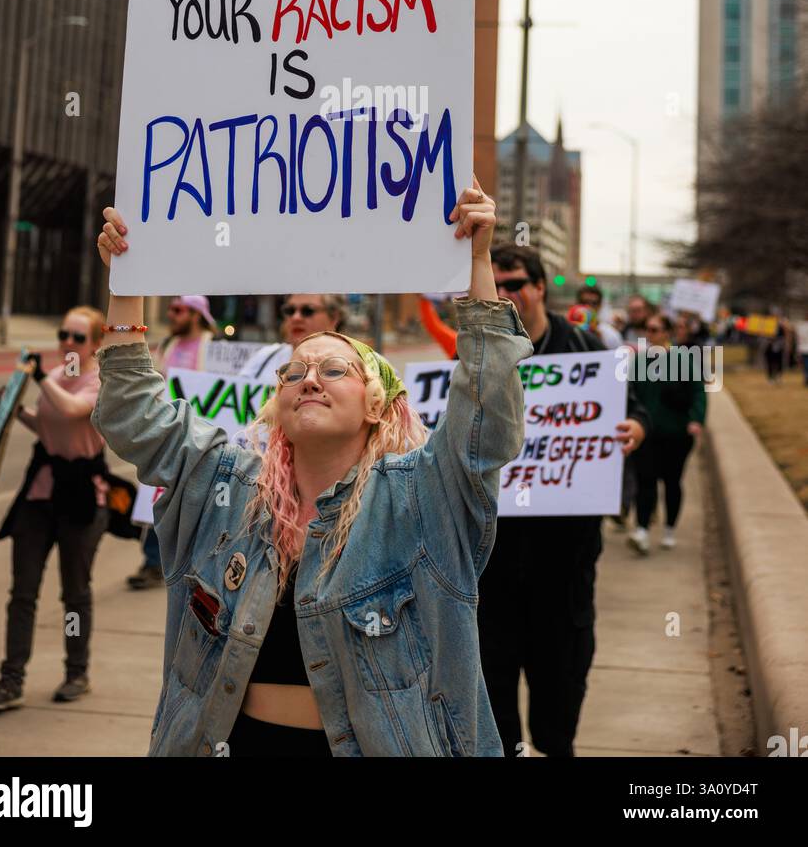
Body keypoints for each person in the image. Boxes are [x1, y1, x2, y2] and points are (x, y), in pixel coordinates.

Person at [94, 180, 535, 757]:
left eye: (334, 370)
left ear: (376, 405)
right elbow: (135, 419)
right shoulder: (228, 486)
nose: (308, 378)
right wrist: (130, 280)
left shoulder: (420, 499)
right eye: (295, 372)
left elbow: (485, 418)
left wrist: (477, 262)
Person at [476, 245, 648, 758]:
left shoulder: (586, 346)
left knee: (558, 712)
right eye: (496, 284)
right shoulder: (476, 349)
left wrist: (635, 426)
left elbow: (632, 407)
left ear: (540, 287)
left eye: (514, 283)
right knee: (493, 718)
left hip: (564, 565)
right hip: (492, 565)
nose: (504, 294)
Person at [0, 306, 109, 711]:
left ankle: (76, 672)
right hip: (41, 493)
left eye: (77, 338)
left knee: (74, 593)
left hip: (82, 497)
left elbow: (71, 411)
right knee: (23, 592)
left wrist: (37, 379)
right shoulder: (54, 378)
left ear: (96, 344)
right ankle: (11, 678)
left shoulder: (100, 381)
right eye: (62, 335)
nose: (68, 344)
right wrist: (17, 412)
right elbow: (49, 425)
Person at [128, 294, 217, 589]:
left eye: (179, 310)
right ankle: (153, 562)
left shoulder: (212, 348)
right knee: (157, 497)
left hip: (199, 434)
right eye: (171, 309)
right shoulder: (167, 345)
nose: (172, 315)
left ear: (195, 314)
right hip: (167, 433)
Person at [628, 312, 706, 554]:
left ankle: (670, 528)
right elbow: (628, 394)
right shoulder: (639, 362)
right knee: (645, 481)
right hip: (647, 433)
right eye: (646, 330)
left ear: (666, 333)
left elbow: (698, 392)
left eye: (654, 330)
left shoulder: (684, 360)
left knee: (672, 482)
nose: (648, 335)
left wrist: (696, 420)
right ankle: (641, 529)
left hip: (676, 434)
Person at [241, 295, 347, 383]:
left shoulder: (352, 365)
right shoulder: (266, 356)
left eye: (307, 311)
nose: (296, 318)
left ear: (334, 318)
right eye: (290, 311)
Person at [154, 295, 216, 374]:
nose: (170, 314)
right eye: (169, 309)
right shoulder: (166, 343)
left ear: (196, 315)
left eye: (177, 310)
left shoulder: (215, 345)